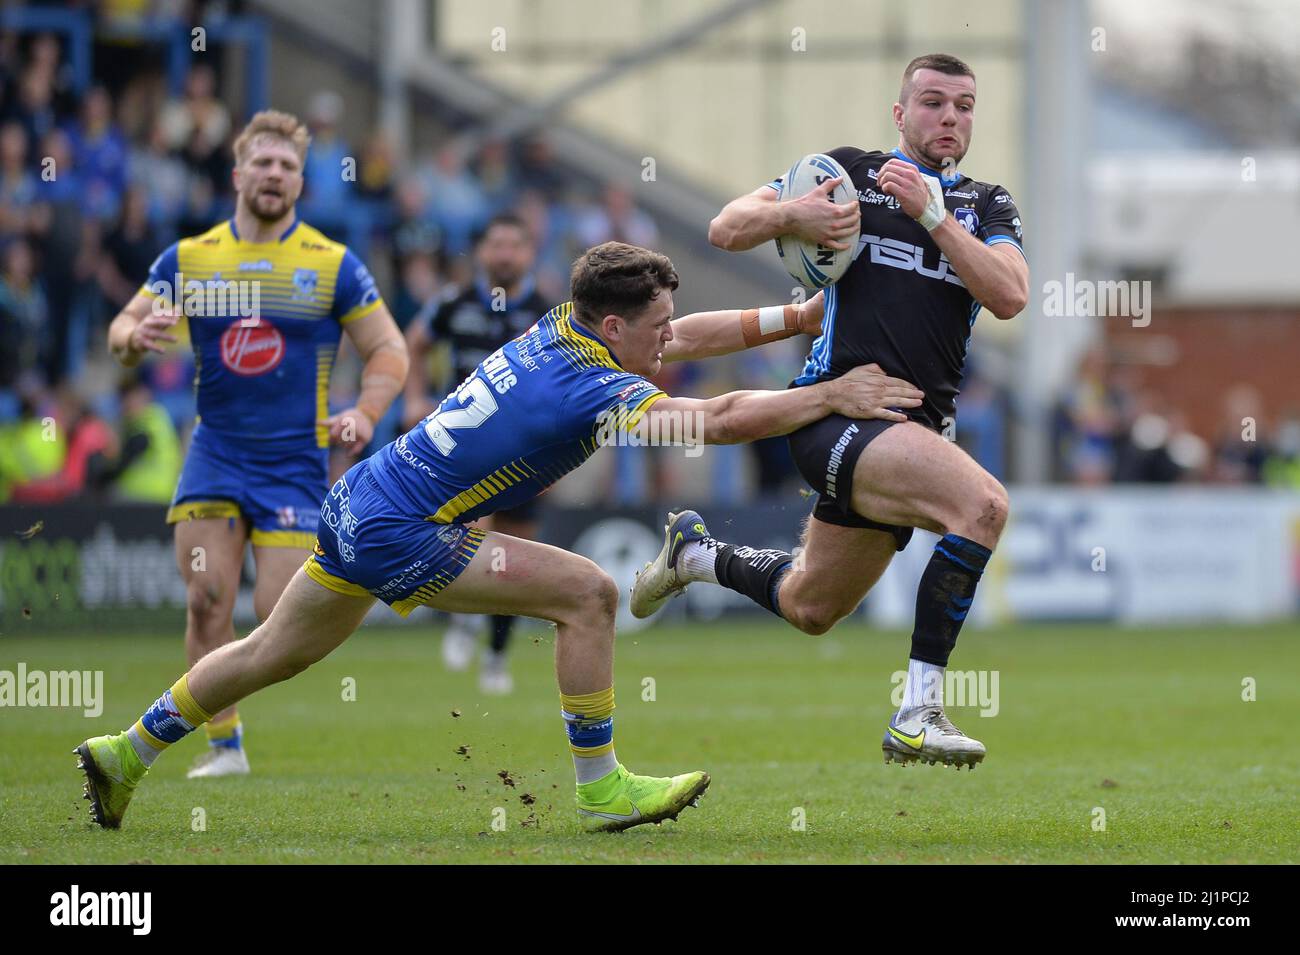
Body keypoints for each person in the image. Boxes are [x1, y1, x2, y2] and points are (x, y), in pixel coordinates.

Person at [75, 241, 921, 832]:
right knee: (589, 593)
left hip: (364, 494)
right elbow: (721, 416)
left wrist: (796, 314)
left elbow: (682, 339)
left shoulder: (568, 325)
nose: (671, 334)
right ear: (617, 328)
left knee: (268, 653)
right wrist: (825, 395)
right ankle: (600, 790)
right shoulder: (591, 391)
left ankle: (126, 749)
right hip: (405, 526)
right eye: (658, 323)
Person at [634, 53, 1029, 770]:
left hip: (910, 432)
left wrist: (934, 214)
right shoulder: (849, 175)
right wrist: (795, 212)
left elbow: (1008, 294)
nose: (950, 117)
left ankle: (695, 555)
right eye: (933, 102)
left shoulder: (985, 205)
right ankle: (918, 712)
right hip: (838, 418)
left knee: (811, 607)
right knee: (983, 508)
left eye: (964, 105)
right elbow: (729, 226)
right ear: (900, 114)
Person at [104, 109, 408, 778]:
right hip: (215, 453)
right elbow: (121, 328)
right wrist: (134, 338)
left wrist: (365, 408)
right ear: (239, 174)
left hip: (295, 463)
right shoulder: (189, 258)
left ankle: (224, 723)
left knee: (281, 618)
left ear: (301, 183)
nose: (275, 174)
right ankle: (225, 744)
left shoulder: (332, 265)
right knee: (207, 598)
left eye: (288, 167)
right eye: (264, 163)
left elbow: (388, 345)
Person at [404, 213, 550, 693]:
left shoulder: (548, 311)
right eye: (497, 244)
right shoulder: (454, 302)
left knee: (516, 557)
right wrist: (414, 399)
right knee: (473, 534)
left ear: (528, 253)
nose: (505, 253)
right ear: (483, 251)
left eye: (515, 245)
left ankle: (495, 656)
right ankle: (464, 621)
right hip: (464, 447)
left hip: (526, 452)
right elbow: (415, 343)